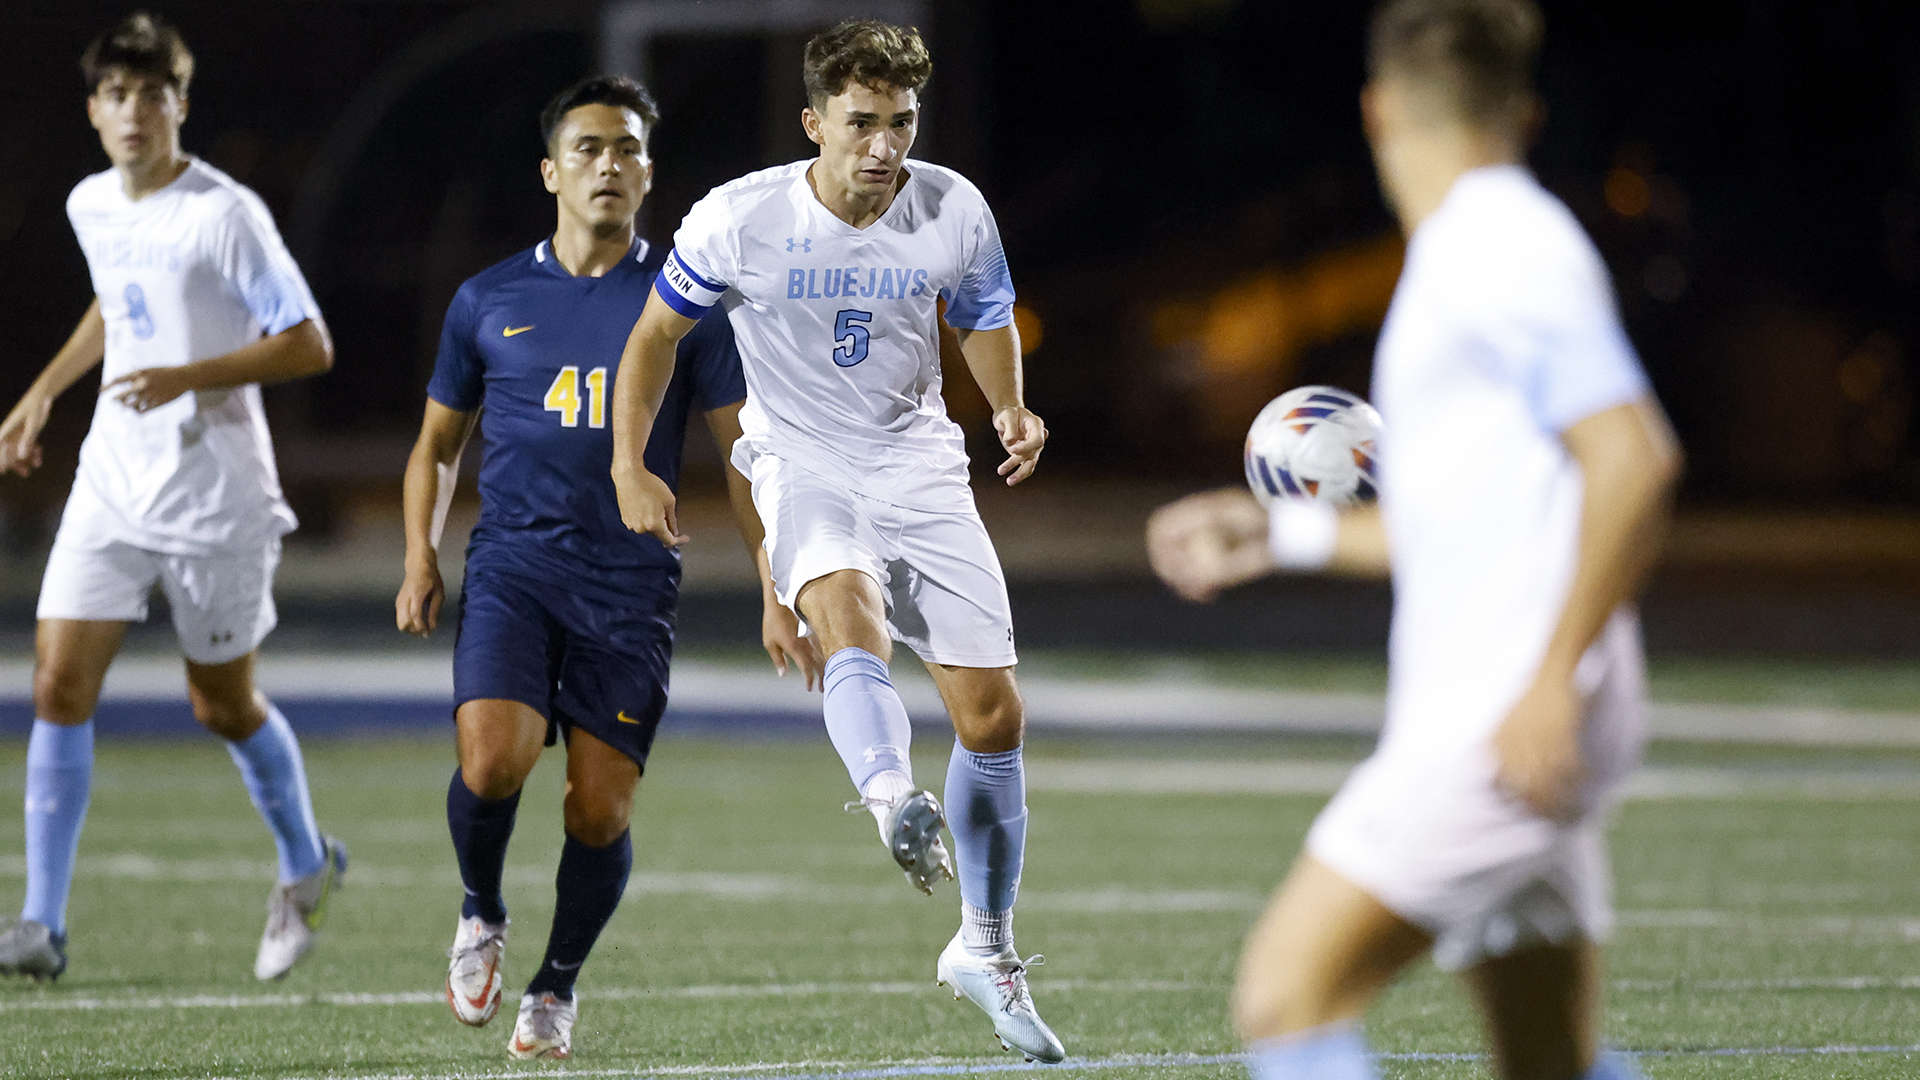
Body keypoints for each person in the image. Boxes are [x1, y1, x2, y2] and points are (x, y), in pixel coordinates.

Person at [1146, 1, 1683, 1077]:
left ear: (1377, 110)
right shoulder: (1477, 249)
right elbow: (1457, 525)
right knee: (1547, 1057)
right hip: (1518, 707)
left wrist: (1546, 680)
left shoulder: (1496, 248)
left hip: (1502, 716)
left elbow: (1637, 459)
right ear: (1523, 113)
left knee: (1287, 1000)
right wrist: (1279, 535)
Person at [608, 19, 1064, 1064]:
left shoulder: (952, 207)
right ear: (815, 121)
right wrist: (630, 463)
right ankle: (893, 799)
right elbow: (652, 339)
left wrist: (1010, 409)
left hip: (919, 462)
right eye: (862, 123)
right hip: (802, 459)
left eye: (901, 122)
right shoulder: (740, 220)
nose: (885, 146)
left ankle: (983, 949)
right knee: (844, 612)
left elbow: (983, 313)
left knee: (994, 717)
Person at [395, 74, 816, 1061]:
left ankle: (555, 985)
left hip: (629, 587)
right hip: (515, 566)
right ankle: (480, 910)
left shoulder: (684, 307)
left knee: (599, 808)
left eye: (627, 149)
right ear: (551, 170)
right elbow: (436, 446)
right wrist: (420, 551)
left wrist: (774, 584)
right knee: (491, 759)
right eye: (588, 148)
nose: (609, 166)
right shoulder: (489, 298)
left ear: (649, 172)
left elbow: (743, 454)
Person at [0, 12, 346, 984]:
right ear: (95, 111)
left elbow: (309, 342)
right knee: (58, 684)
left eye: (153, 94)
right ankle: (40, 923)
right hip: (113, 478)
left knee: (220, 706)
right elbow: (117, 301)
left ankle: (306, 861)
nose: (134, 112)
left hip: (214, 495)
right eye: (117, 95)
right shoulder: (89, 204)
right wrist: (41, 392)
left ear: (179, 106)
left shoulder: (223, 213)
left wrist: (189, 375)